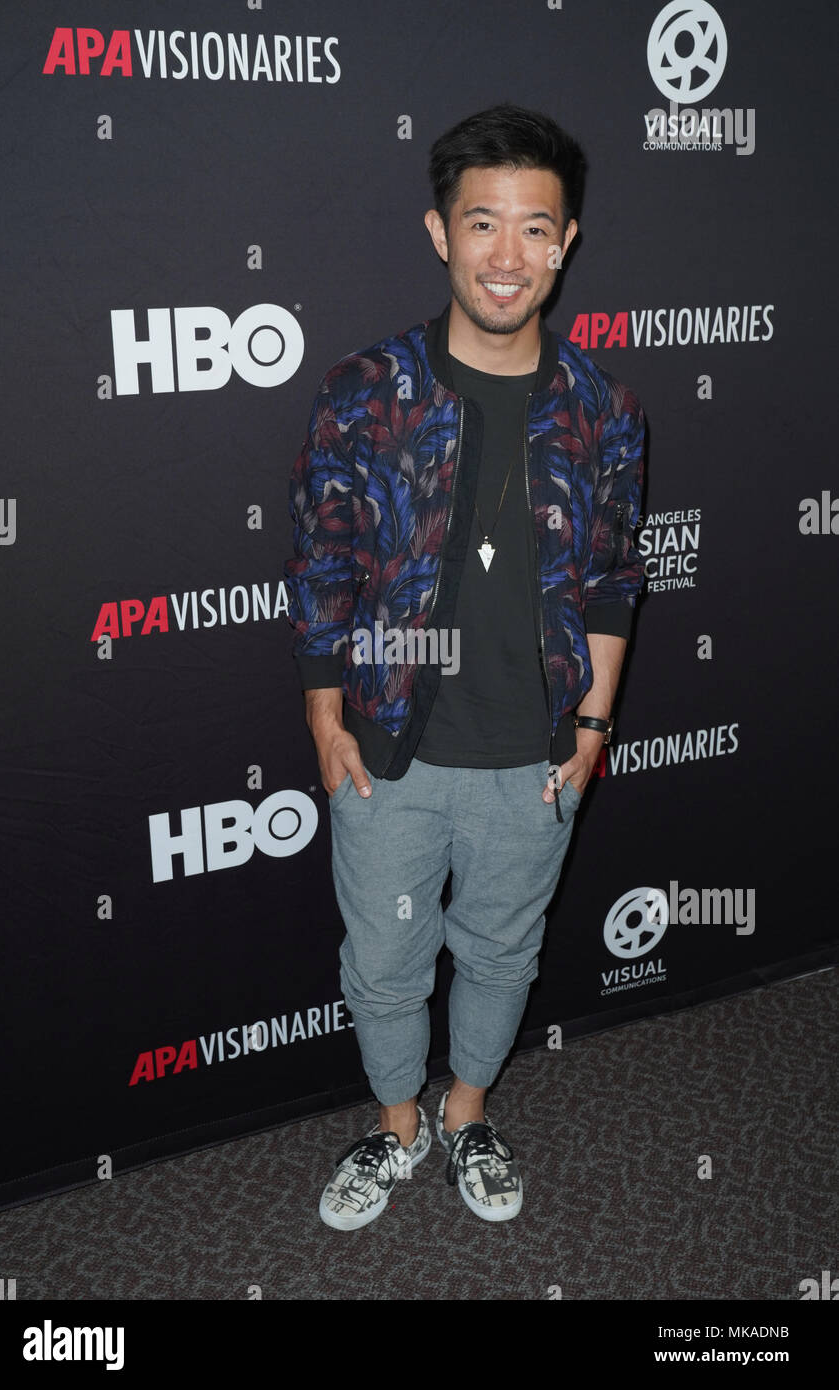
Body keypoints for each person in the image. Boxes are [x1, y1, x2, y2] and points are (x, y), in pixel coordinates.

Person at [283, 104, 646, 1229]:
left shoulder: (604, 407)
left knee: (500, 956)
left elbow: (610, 577)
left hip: (534, 757)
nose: (506, 255)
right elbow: (322, 562)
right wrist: (326, 720)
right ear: (438, 233)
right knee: (384, 964)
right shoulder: (364, 391)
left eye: (532, 229)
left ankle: (465, 1113)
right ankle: (397, 1126)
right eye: (480, 223)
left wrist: (591, 731)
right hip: (391, 751)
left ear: (566, 240)